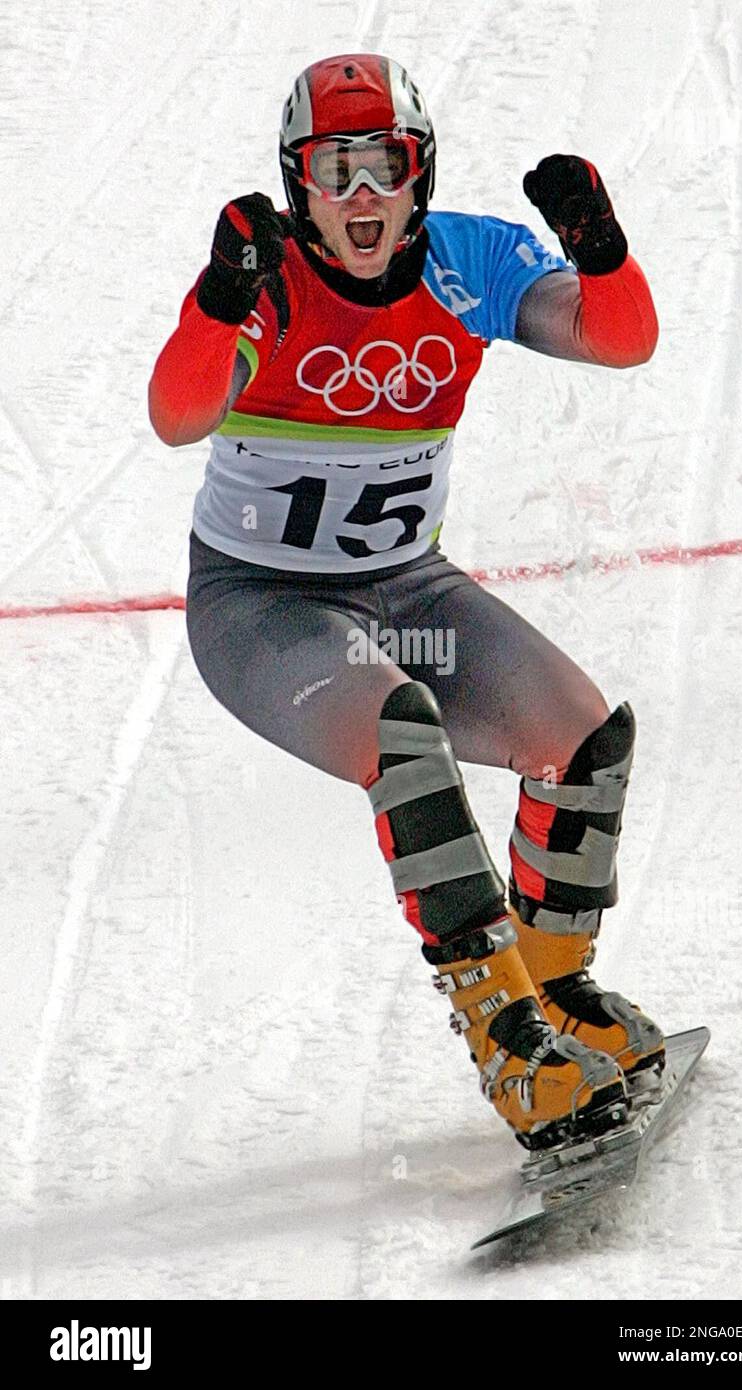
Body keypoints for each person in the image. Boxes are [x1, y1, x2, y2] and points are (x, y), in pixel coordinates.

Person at [149, 53, 663, 1153]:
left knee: (583, 744)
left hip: (406, 593)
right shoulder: (274, 277)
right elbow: (177, 415)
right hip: (265, 609)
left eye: (381, 165)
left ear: (417, 171)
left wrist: (601, 253)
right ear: (297, 186)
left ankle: (556, 994)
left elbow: (619, 339)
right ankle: (509, 1047)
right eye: (333, 172)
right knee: (402, 738)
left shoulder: (468, 259)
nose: (360, 197)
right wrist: (216, 301)